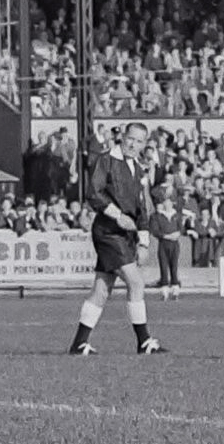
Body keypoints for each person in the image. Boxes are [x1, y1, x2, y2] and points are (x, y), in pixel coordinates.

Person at [70, 123, 164, 355]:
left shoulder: (138, 169)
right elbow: (94, 193)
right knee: (136, 283)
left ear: (144, 144)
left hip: (125, 235)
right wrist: (117, 215)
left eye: (139, 141)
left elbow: (142, 208)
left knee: (102, 289)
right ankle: (144, 341)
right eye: (131, 138)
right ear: (122, 136)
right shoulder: (105, 160)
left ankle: (79, 344)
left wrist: (143, 242)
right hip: (108, 232)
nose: (133, 144)